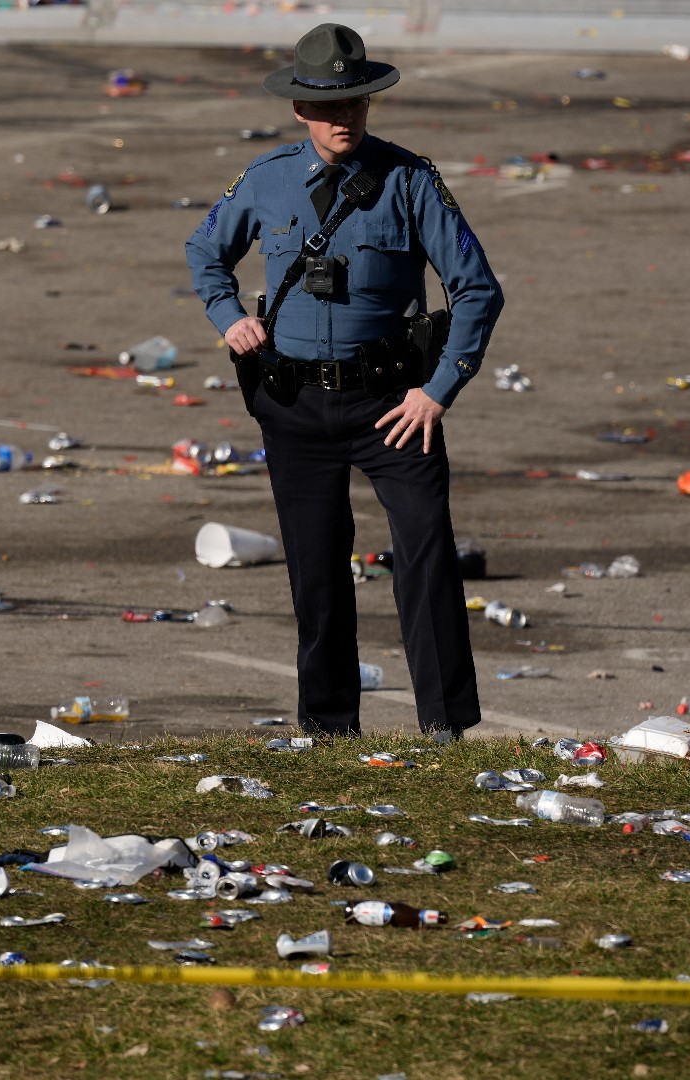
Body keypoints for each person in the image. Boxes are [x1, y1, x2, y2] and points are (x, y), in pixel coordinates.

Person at [185, 22, 503, 742]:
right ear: (300, 109)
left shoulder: (410, 180)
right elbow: (206, 250)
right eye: (328, 107)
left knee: (425, 558)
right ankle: (329, 729)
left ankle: (446, 725)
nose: (343, 119)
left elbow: (478, 290)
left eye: (355, 103)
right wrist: (227, 316)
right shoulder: (265, 180)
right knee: (316, 572)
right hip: (292, 405)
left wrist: (440, 391)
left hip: (394, 406)